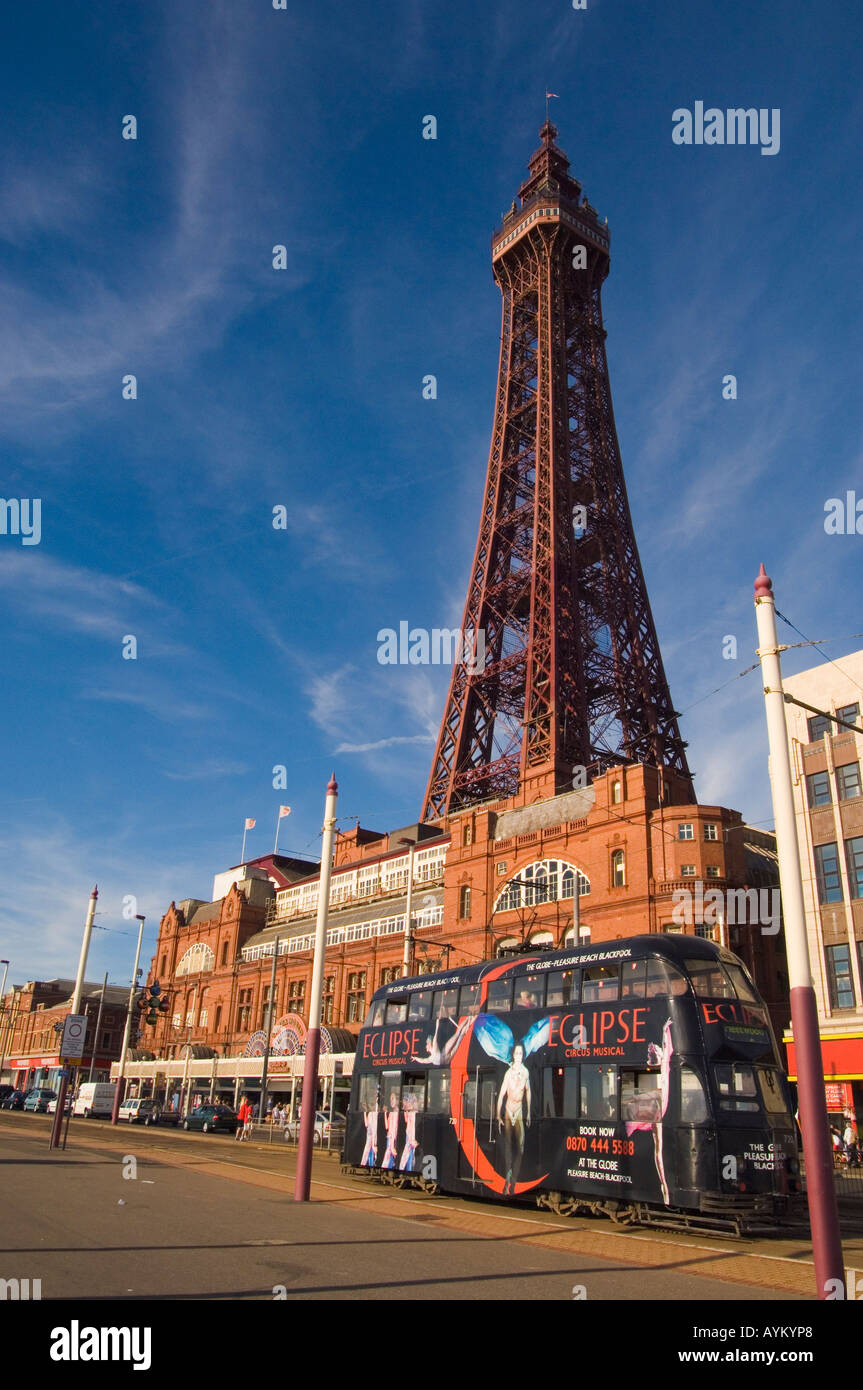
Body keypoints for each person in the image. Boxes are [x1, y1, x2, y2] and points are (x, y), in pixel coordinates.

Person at [497, 1043, 531, 1197]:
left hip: (519, 1111)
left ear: (522, 1055)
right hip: (508, 1110)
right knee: (508, 1146)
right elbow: (502, 1095)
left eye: (520, 1053)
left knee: (521, 1148)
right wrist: (498, 1114)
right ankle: (507, 1179)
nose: (518, 1055)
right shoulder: (508, 1073)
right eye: (516, 1053)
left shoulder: (525, 1072)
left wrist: (529, 1112)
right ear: (513, 1055)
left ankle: (514, 1182)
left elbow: (528, 1091)